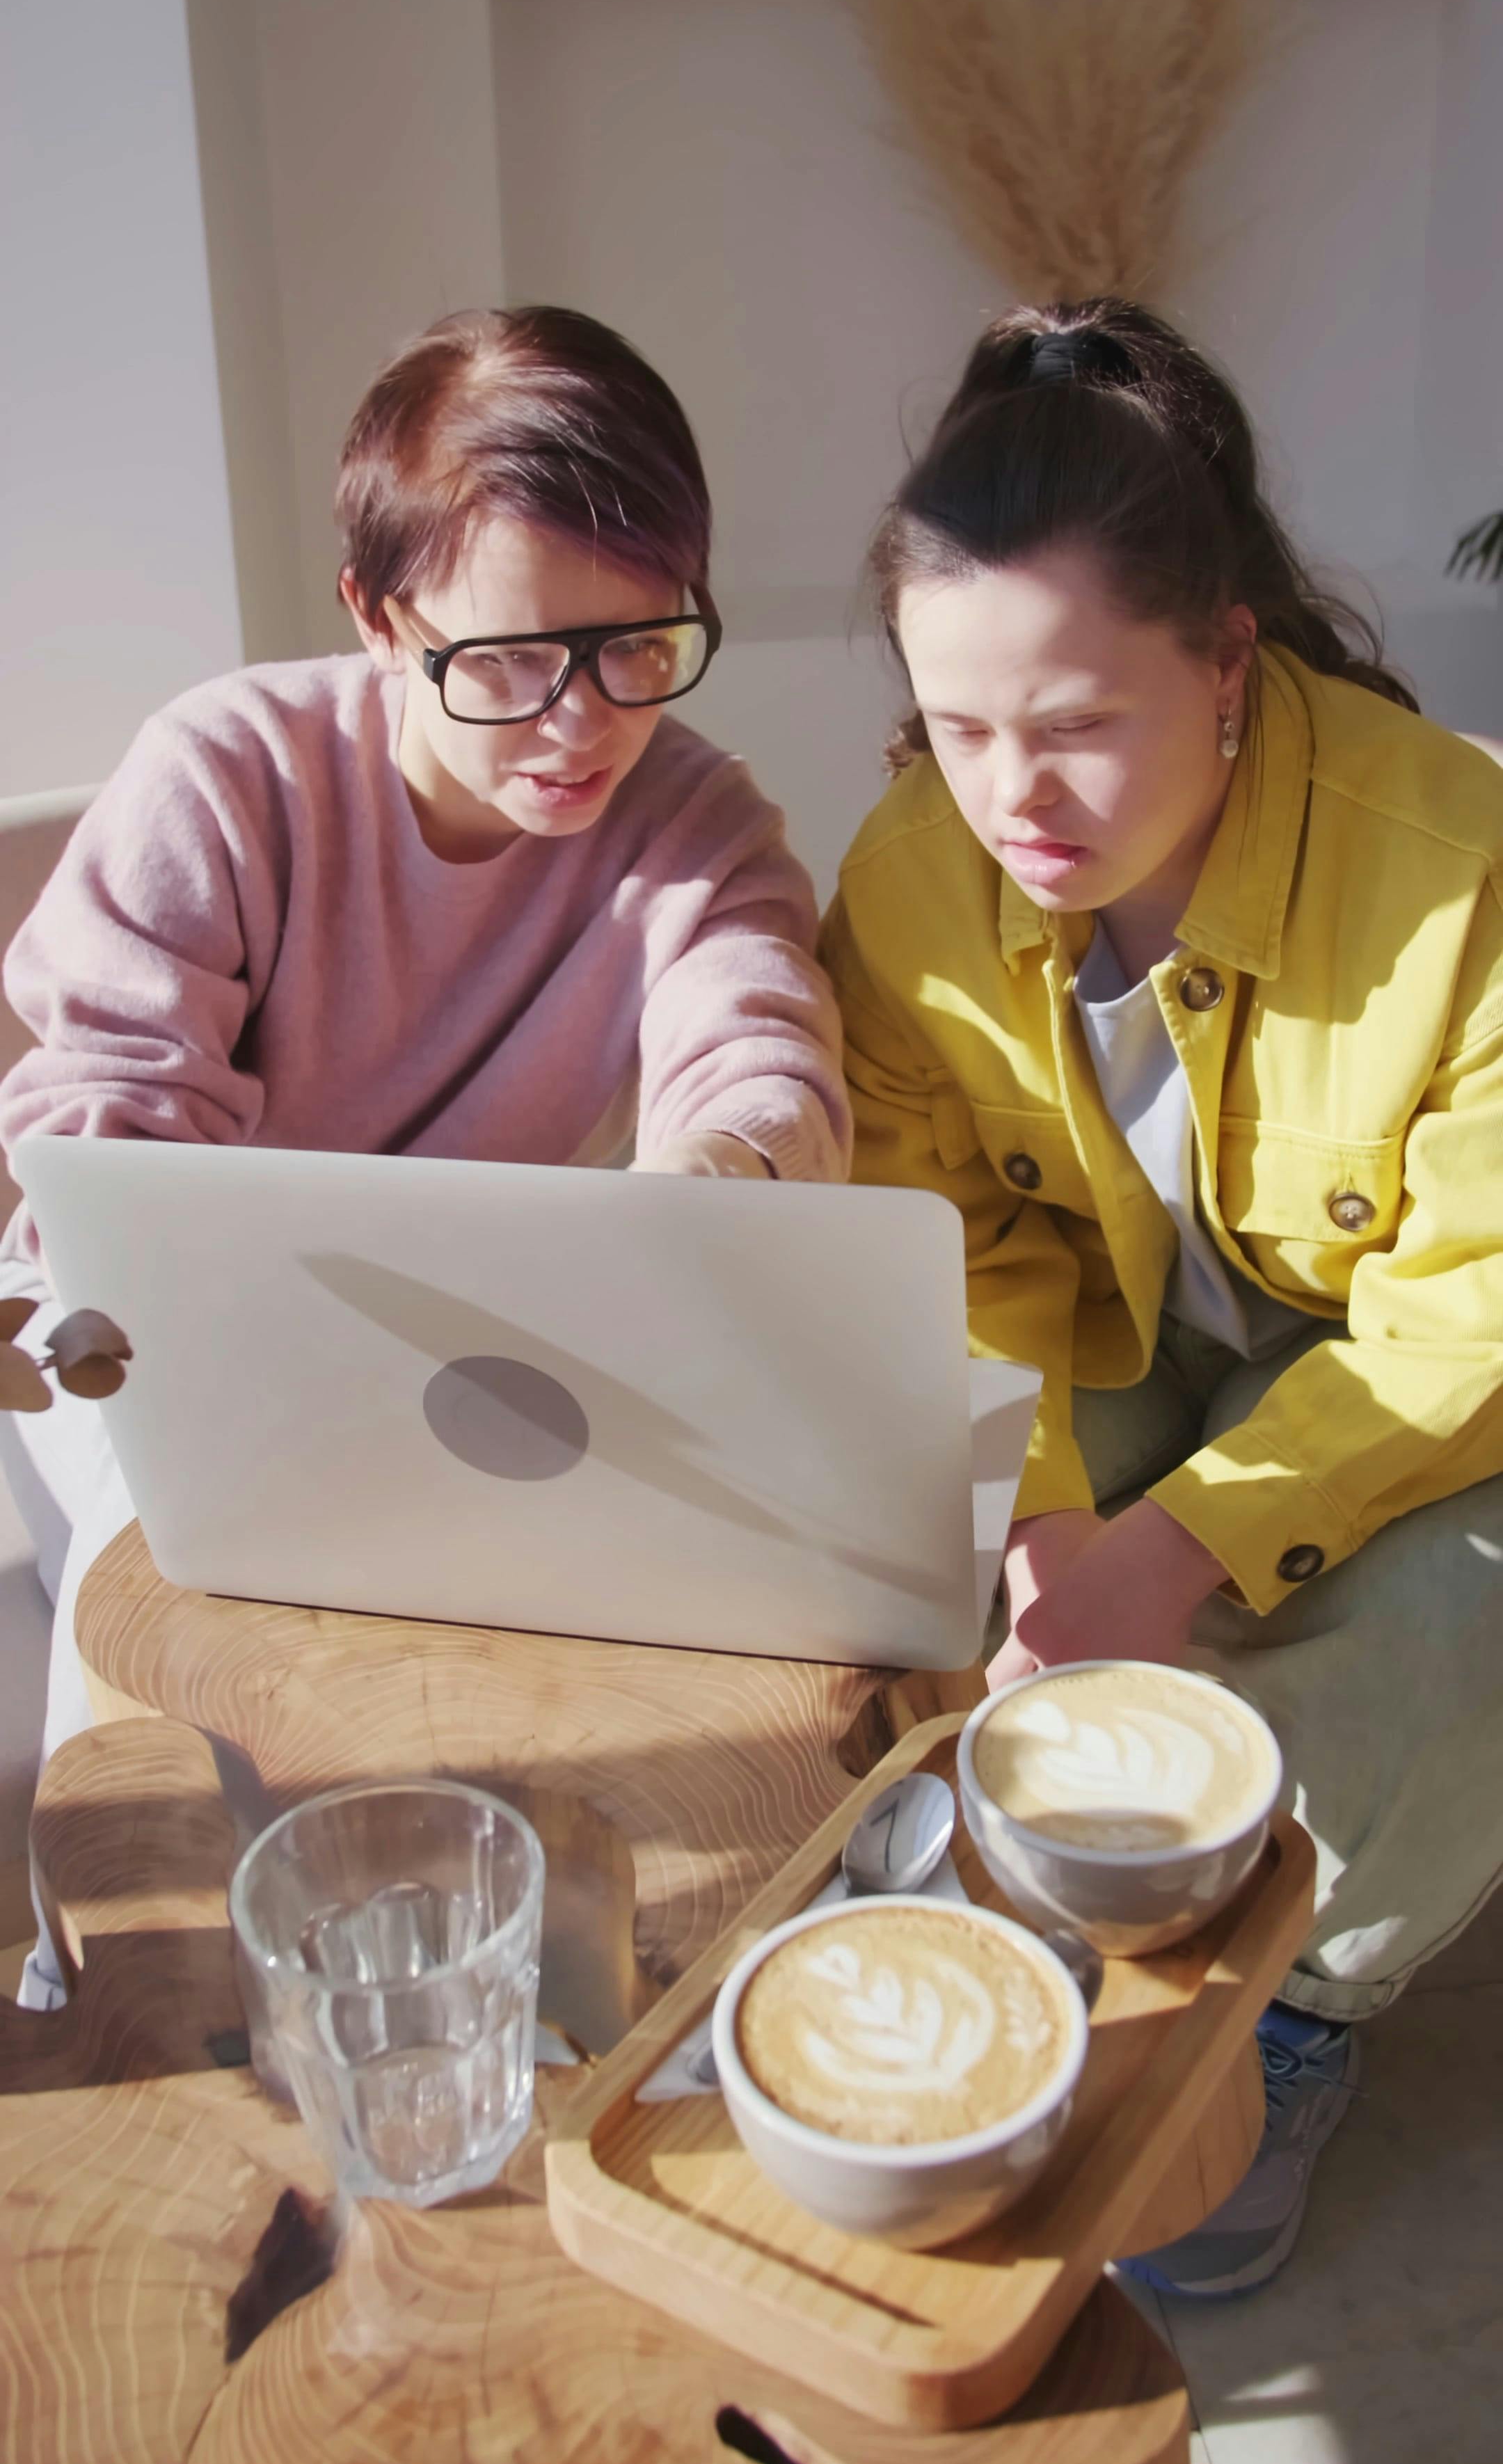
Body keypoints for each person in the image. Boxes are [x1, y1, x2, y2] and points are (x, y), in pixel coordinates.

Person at [0, 304, 850, 2001]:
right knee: (174, 1571)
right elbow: (109, 1124)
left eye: (640, 645)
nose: (581, 724)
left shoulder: (695, 824)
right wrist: (233, 1336)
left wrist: (714, 1181)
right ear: (381, 618)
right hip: (142, 1332)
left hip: (466, 1334)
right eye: (513, 661)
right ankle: (100, 1996)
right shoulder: (227, 774)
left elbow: (758, 1046)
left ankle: (534, 1986)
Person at [822, 296, 1503, 2296]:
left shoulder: (1460, 863)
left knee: (1455, 1614)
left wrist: (1184, 1545)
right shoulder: (910, 875)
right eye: (958, 730)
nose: (1010, 798)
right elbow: (932, 1244)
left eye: (1074, 725)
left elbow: (1473, 1311)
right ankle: (1036, 1901)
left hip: (1406, 1361)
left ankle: (1296, 1999)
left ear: (1226, 664)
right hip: (1109, 1339)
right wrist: (1045, 1518)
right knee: (911, 1524)